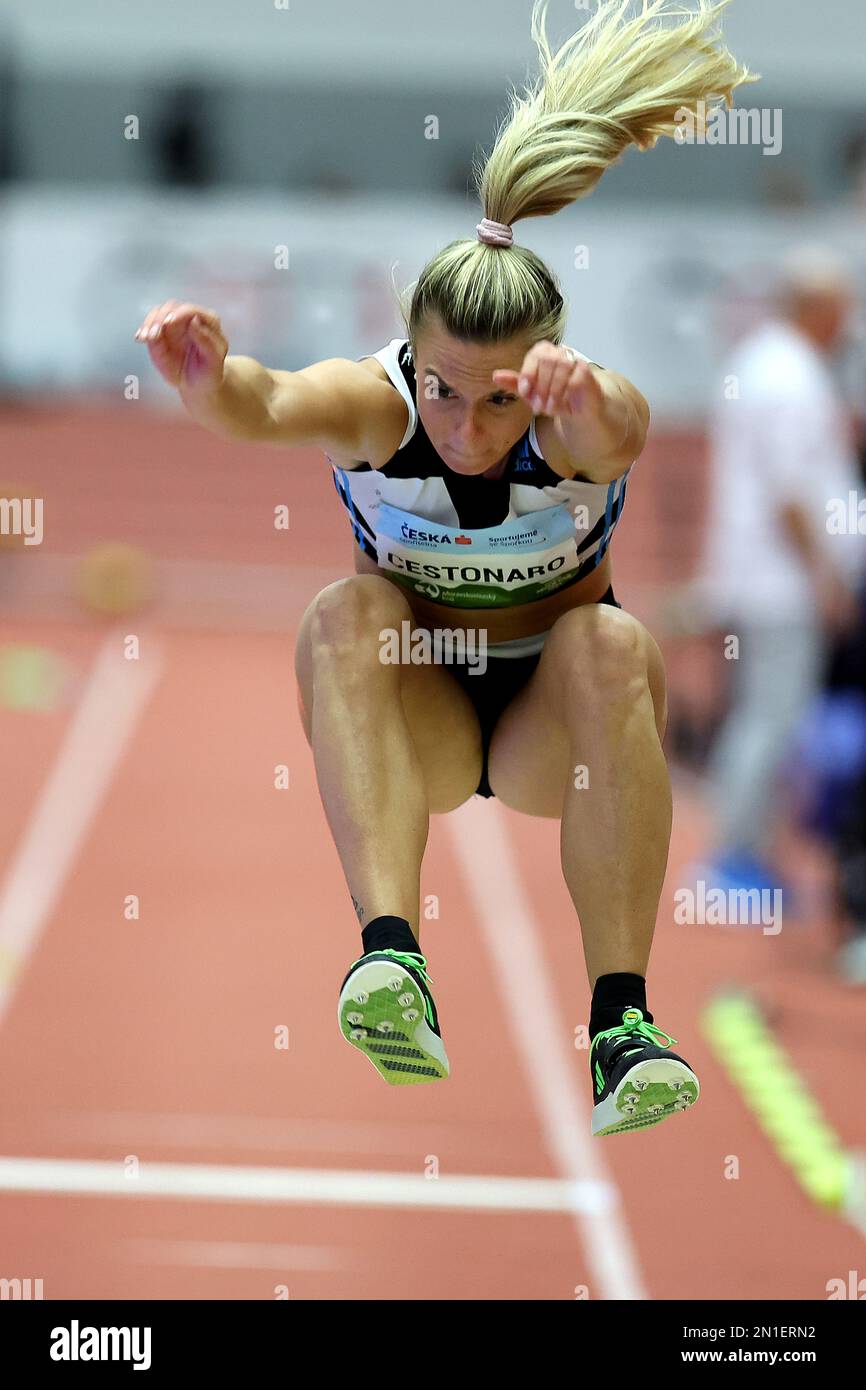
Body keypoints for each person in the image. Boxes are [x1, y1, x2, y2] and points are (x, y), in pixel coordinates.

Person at [135, 0, 756, 1136]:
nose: (466, 427)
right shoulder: (377, 404)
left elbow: (622, 429)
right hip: (417, 715)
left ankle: (620, 1026)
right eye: (444, 389)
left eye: (498, 397)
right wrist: (206, 377)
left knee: (609, 639)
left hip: (546, 736)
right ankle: (390, 962)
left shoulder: (572, 418)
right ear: (411, 362)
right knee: (343, 611)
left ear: (543, 376)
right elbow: (265, 400)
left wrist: (582, 403)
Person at [696, 245, 864, 896]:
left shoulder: (769, 364)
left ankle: (742, 849)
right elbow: (791, 492)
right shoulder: (792, 376)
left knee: (760, 714)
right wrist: (825, 575)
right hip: (782, 581)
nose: (848, 321)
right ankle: (735, 856)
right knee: (773, 717)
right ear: (816, 306)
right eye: (842, 306)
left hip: (762, 574)